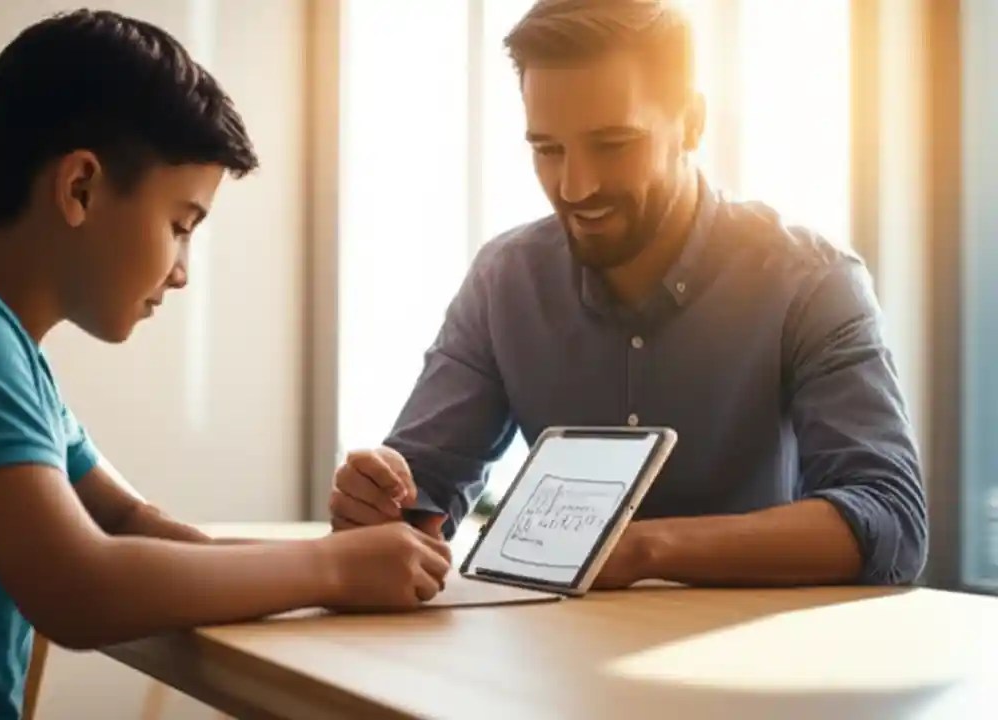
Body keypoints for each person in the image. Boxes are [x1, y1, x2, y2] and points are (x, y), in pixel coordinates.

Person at [0, 10, 451, 717]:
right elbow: (78, 589)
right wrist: (328, 569)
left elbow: (133, 522)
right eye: (181, 225)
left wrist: (345, 563)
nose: (182, 271)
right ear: (80, 189)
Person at [329, 0, 927, 589]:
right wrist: (379, 503)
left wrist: (643, 548)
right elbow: (417, 498)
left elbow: (892, 521)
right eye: (547, 149)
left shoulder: (810, 282)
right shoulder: (504, 281)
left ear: (692, 123)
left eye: (613, 145)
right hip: (553, 665)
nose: (575, 186)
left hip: (749, 663)